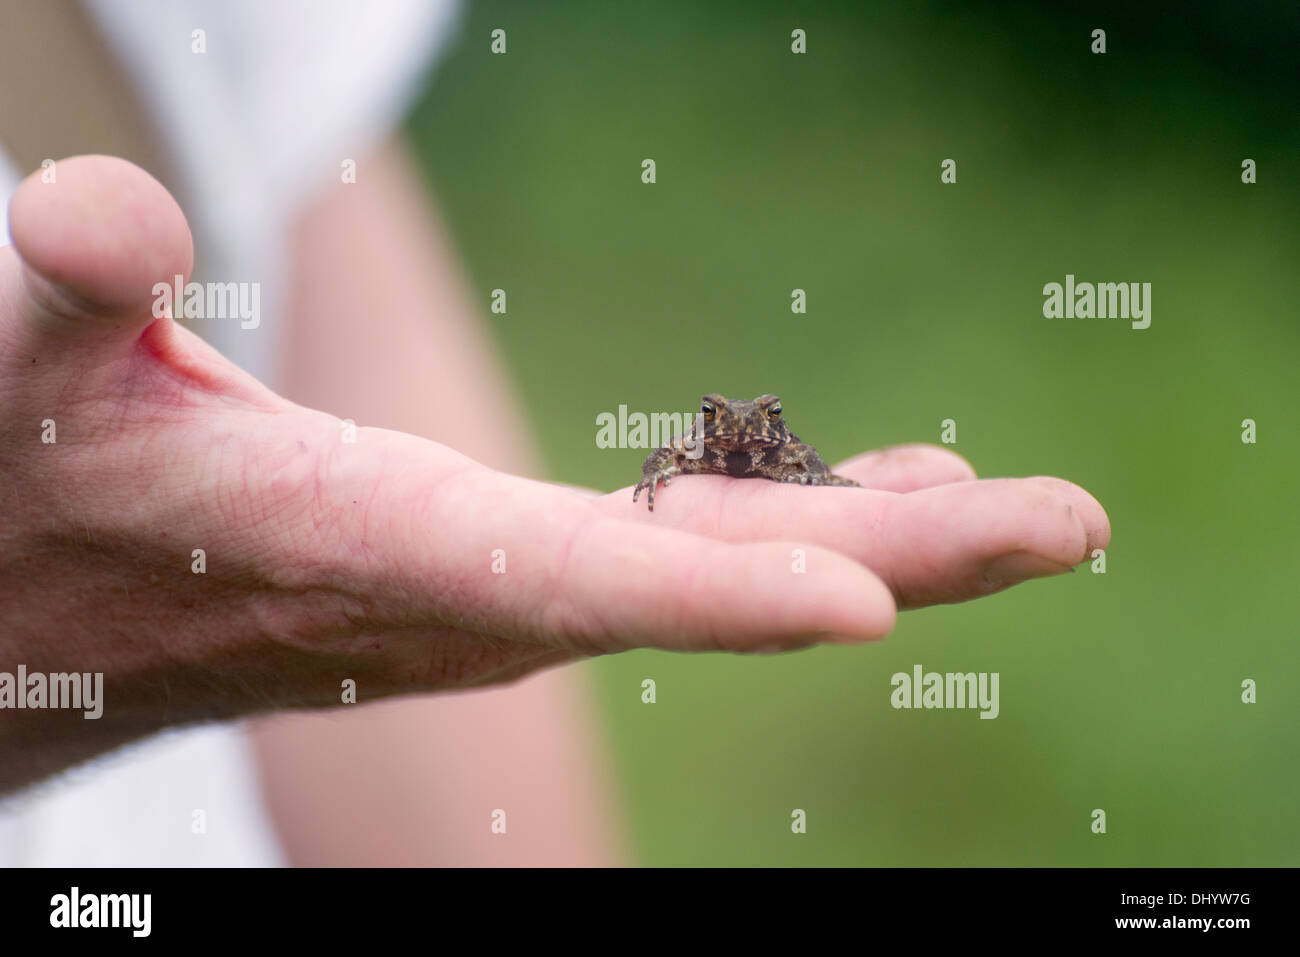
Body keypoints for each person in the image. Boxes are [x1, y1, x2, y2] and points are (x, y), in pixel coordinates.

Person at [0, 1, 1109, 866]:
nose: (735, 435)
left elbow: (347, 328)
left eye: (746, 427)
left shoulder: (766, 451)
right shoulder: (700, 445)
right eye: (726, 427)